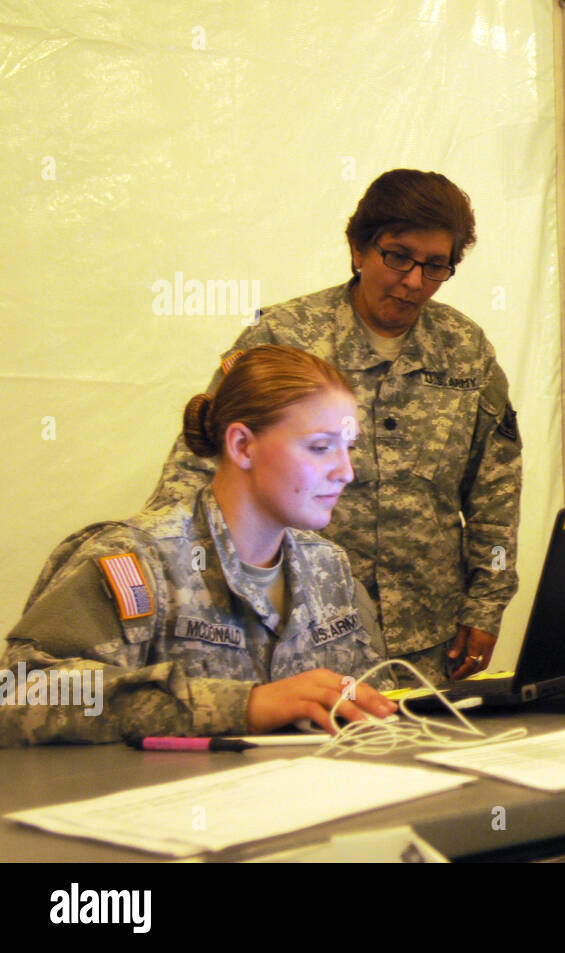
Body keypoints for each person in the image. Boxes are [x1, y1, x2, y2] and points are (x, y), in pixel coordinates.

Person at [148, 170, 522, 683]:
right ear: (358, 249)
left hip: (426, 636)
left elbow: (495, 486)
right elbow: (197, 469)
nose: (414, 280)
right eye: (398, 256)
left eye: (436, 266)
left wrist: (486, 603)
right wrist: (181, 602)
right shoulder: (283, 336)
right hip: (302, 633)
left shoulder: (465, 348)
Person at [0, 345, 397, 745]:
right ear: (242, 445)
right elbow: (19, 692)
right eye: (320, 447)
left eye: (350, 447)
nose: (346, 472)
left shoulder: (329, 568)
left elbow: (375, 705)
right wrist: (241, 706)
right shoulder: (136, 562)